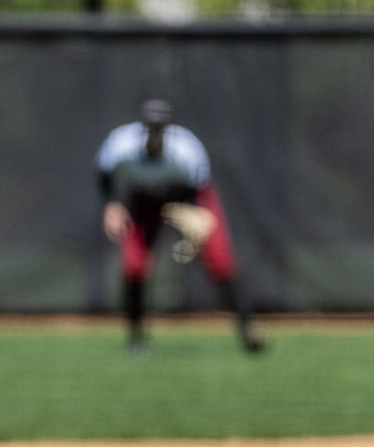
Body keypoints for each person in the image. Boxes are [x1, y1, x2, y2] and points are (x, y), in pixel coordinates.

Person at [96, 99, 263, 355]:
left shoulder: (186, 149)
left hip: (185, 195)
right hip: (143, 199)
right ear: (143, 126)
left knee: (220, 260)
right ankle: (136, 340)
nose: (155, 133)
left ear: (167, 128)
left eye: (160, 127)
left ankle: (247, 328)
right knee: (133, 265)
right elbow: (103, 171)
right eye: (151, 127)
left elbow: (199, 188)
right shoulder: (121, 144)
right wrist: (111, 205)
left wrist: (193, 225)